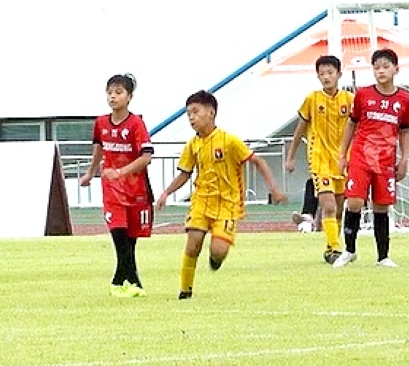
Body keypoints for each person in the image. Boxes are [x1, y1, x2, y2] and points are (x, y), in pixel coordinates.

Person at [156, 90, 288, 299]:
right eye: (188, 113)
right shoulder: (193, 144)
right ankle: (185, 291)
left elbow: (258, 161)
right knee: (193, 244)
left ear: (211, 112)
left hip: (228, 203)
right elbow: (185, 173)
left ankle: (215, 258)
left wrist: (273, 188)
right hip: (201, 201)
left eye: (195, 112)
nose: (191, 117)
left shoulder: (229, 141)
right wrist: (166, 192)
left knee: (218, 251)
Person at [334, 49, 409, 269]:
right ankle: (349, 251)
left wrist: (405, 159)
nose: (381, 71)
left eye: (386, 66)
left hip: (385, 161)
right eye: (377, 67)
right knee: (354, 202)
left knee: (381, 208)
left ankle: (383, 257)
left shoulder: (405, 100)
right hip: (361, 157)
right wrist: (343, 154)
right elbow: (351, 123)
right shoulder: (363, 95)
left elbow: (405, 131)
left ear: (396, 69)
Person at [79, 74, 154, 298]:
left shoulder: (136, 124)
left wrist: (122, 171)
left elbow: (146, 156)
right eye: (110, 92)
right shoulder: (101, 123)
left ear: (129, 97)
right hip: (112, 190)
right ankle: (124, 282)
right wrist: (90, 173)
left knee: (130, 240)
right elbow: (98, 150)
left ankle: (128, 282)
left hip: (136, 189)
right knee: (118, 236)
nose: (113, 96)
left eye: (118, 92)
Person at [284, 55, 354, 263]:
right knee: (329, 205)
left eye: (330, 72)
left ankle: (331, 245)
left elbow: (358, 128)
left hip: (342, 161)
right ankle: (334, 249)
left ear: (339, 74)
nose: (326, 77)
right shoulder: (312, 99)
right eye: (322, 74)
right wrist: (291, 157)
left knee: (340, 208)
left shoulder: (349, 100)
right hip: (319, 159)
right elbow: (300, 130)